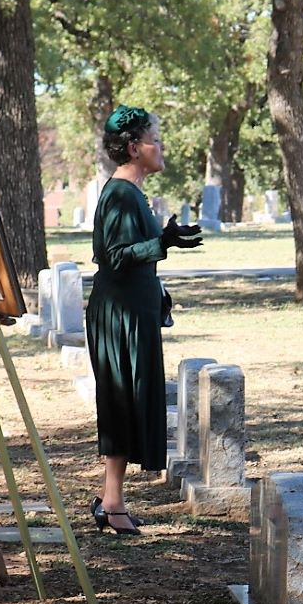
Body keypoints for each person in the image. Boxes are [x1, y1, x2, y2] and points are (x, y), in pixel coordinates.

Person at [87, 106, 203, 534]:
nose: (161, 145)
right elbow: (112, 257)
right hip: (119, 315)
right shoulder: (120, 193)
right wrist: (162, 243)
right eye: (155, 138)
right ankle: (112, 504)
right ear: (135, 148)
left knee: (127, 404)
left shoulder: (133, 193)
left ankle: (111, 499)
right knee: (120, 405)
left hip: (132, 310)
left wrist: (162, 249)